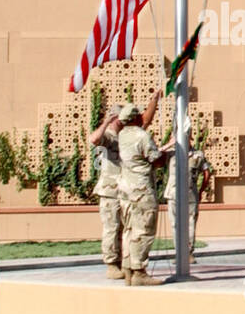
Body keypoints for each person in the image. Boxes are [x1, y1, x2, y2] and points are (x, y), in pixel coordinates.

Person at [89, 89, 161, 280]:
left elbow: (144, 121)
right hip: (110, 190)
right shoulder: (111, 136)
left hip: (125, 190)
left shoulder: (127, 136)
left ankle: (126, 263)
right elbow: (94, 140)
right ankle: (111, 264)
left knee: (128, 228)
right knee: (112, 228)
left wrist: (154, 100)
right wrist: (106, 122)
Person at [115, 102, 173, 286]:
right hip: (141, 190)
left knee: (129, 230)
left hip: (125, 191)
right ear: (136, 118)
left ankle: (127, 268)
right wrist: (166, 152)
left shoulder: (122, 135)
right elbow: (155, 160)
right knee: (144, 229)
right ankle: (139, 271)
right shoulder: (141, 136)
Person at [164, 141, 211, 266]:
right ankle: (179, 252)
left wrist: (201, 190)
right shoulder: (171, 153)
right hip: (173, 193)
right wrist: (169, 144)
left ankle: (188, 252)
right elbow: (155, 157)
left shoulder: (198, 155)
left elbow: (206, 172)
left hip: (190, 193)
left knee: (190, 224)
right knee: (175, 224)